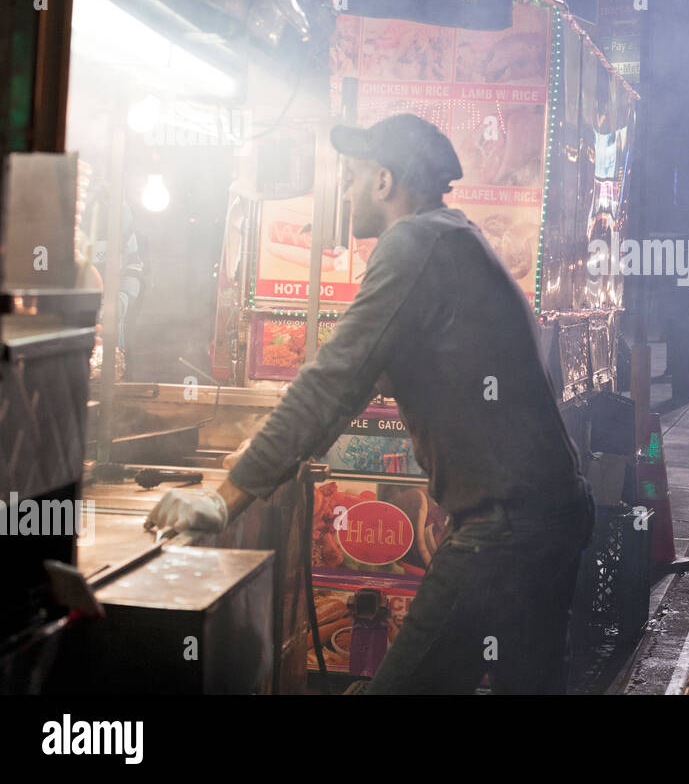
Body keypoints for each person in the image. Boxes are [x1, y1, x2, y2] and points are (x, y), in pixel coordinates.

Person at [146, 113, 594, 694]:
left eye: (355, 177)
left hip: (505, 530)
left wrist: (224, 499)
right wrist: (263, 449)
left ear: (385, 181)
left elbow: (334, 378)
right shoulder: (454, 238)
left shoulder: (415, 242)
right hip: (550, 514)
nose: (348, 190)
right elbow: (359, 380)